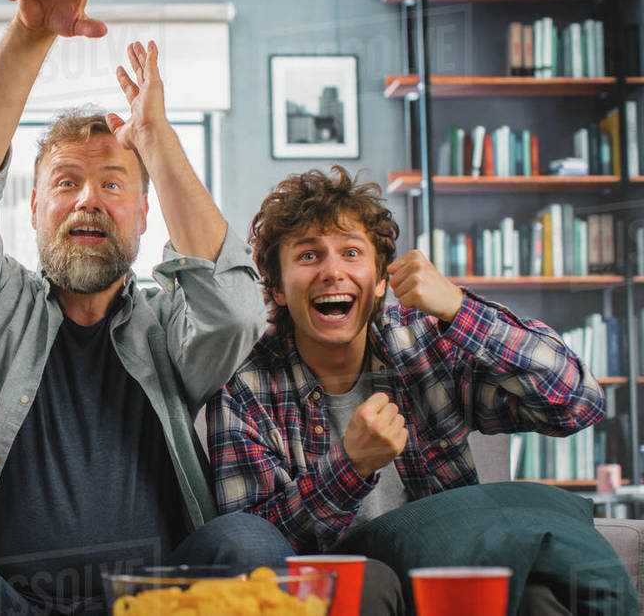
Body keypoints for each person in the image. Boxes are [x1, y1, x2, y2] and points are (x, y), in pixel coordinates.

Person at [0, 0, 288, 615]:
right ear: (34, 208)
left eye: (113, 184)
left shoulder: (169, 326)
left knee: (251, 542)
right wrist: (30, 35)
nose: (88, 199)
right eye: (66, 182)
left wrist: (155, 139)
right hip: (1, 606)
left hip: (156, 607)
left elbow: (236, 312)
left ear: (144, 213)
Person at [209, 166, 608, 614]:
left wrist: (459, 307)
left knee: (539, 597)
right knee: (369, 581)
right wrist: (350, 468)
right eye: (308, 256)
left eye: (351, 252)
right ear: (278, 289)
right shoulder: (245, 384)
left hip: (444, 569)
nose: (332, 271)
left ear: (382, 280)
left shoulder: (425, 343)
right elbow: (253, 546)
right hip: (333, 591)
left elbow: (578, 402)